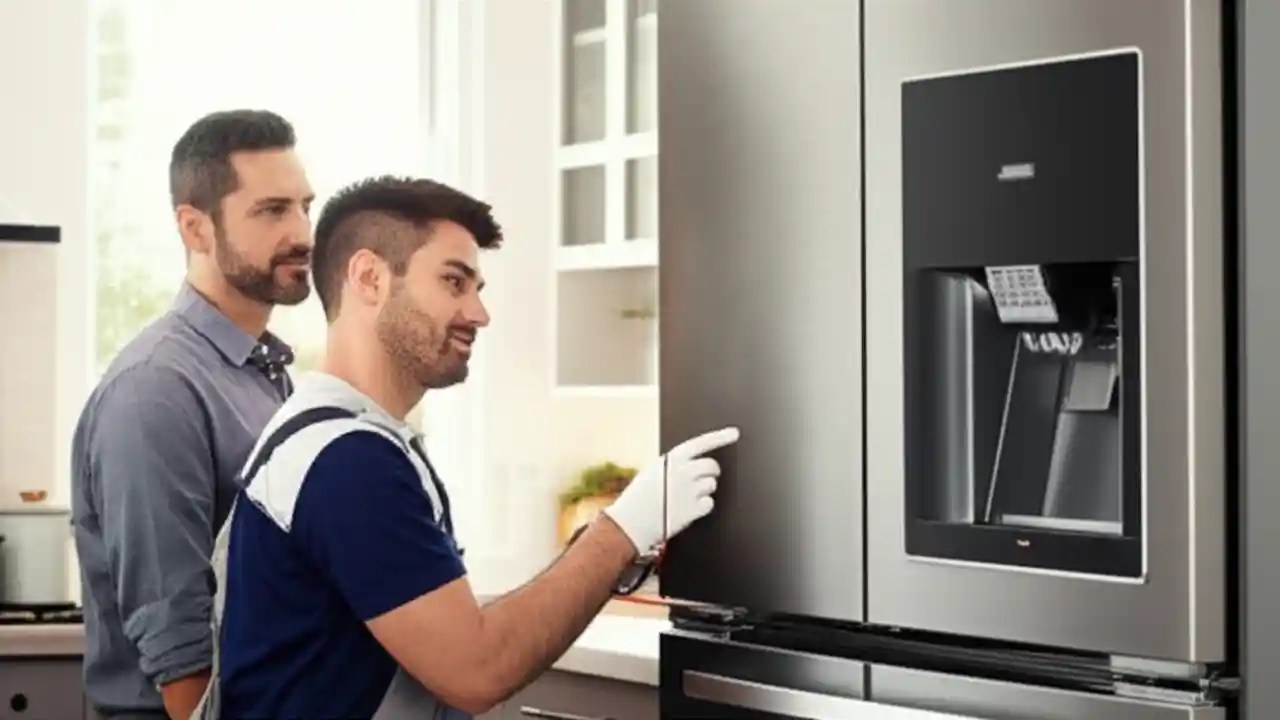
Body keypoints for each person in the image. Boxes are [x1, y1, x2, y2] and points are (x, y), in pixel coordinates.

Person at [211, 176, 738, 718]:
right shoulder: (346, 462)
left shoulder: (331, 437)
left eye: (476, 289)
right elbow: (477, 669)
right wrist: (625, 526)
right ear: (369, 278)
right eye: (454, 282)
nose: (479, 314)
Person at [69, 109, 315, 719]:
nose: (304, 232)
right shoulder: (156, 389)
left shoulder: (264, 372)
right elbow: (176, 636)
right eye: (272, 210)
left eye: (305, 206)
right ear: (195, 228)